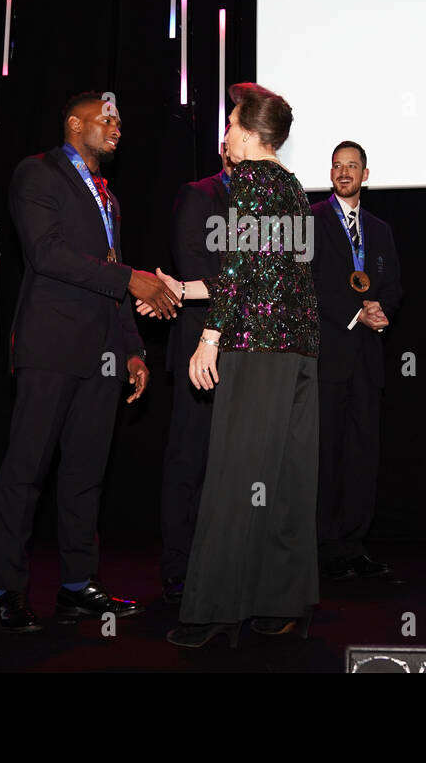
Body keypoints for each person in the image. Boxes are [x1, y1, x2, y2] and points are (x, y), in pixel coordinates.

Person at [139, 83, 320, 648]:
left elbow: (242, 267)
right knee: (286, 481)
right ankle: (280, 603)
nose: (224, 136)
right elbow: (264, 272)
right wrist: (183, 288)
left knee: (233, 481)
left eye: (231, 125)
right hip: (298, 351)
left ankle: (214, 610)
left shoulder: (247, 182)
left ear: (250, 133)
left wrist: (209, 338)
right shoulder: (291, 186)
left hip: (255, 349)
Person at [0, 92, 180, 632]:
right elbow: (45, 254)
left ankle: (77, 587)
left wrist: (134, 351)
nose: (117, 128)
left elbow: (113, 276)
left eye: (120, 120)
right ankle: (9, 591)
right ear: (75, 124)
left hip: (101, 357)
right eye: (107, 119)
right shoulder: (37, 174)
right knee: (25, 472)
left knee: (84, 475)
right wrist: (129, 279)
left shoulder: (109, 199)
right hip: (49, 349)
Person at [309, 141, 403, 580]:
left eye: (353, 166)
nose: (344, 172)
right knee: (325, 453)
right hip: (328, 357)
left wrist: (381, 308)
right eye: (337, 166)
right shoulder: (310, 221)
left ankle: (353, 545)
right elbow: (306, 285)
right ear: (330, 173)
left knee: (363, 454)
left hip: (369, 360)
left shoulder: (380, 229)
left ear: (366, 174)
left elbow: (394, 284)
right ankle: (322, 547)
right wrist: (354, 312)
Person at [159, 138, 233, 603]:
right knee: (190, 460)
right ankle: (178, 570)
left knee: (230, 468)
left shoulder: (266, 202)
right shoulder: (199, 195)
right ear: (228, 148)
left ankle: (222, 566)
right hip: (199, 352)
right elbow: (192, 272)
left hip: (248, 355)